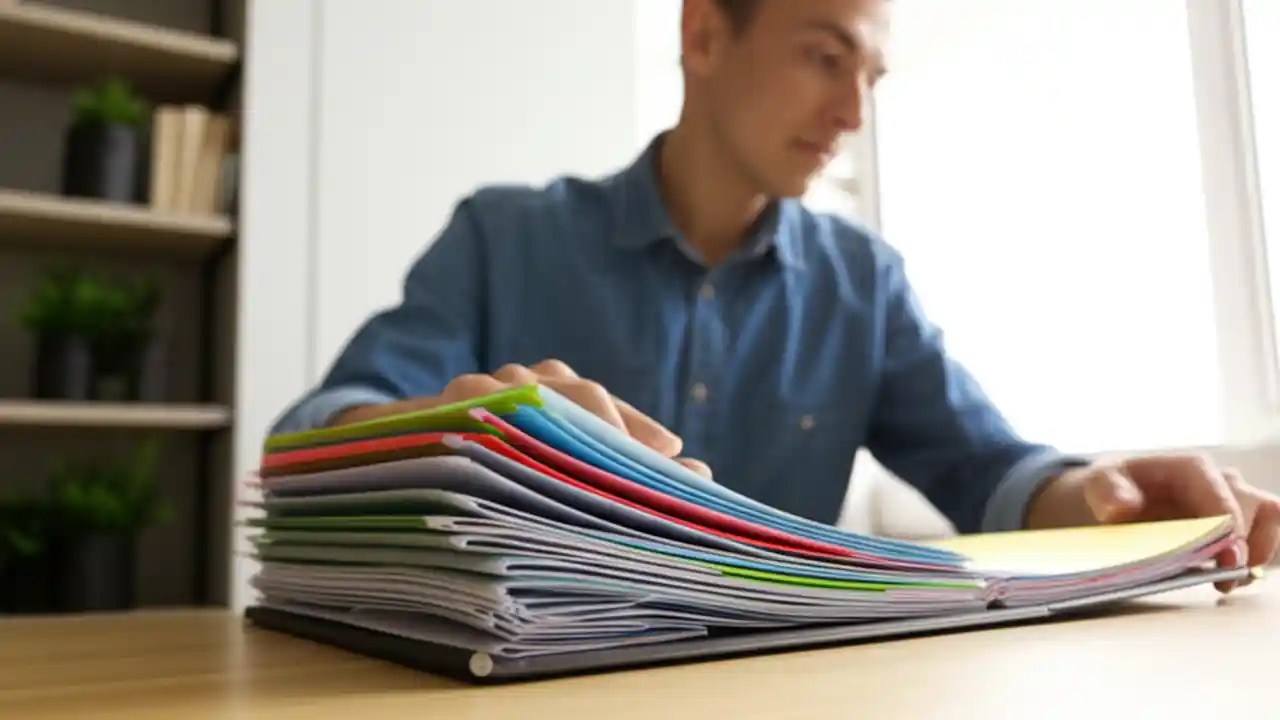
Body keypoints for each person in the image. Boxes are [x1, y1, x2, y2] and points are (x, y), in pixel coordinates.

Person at [271, 0, 1280, 589]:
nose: (849, 111)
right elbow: (319, 427)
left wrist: (1109, 498)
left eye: (870, 77)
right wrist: (462, 424)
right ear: (704, 35)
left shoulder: (862, 282)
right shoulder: (503, 235)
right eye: (822, 55)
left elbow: (985, 466)